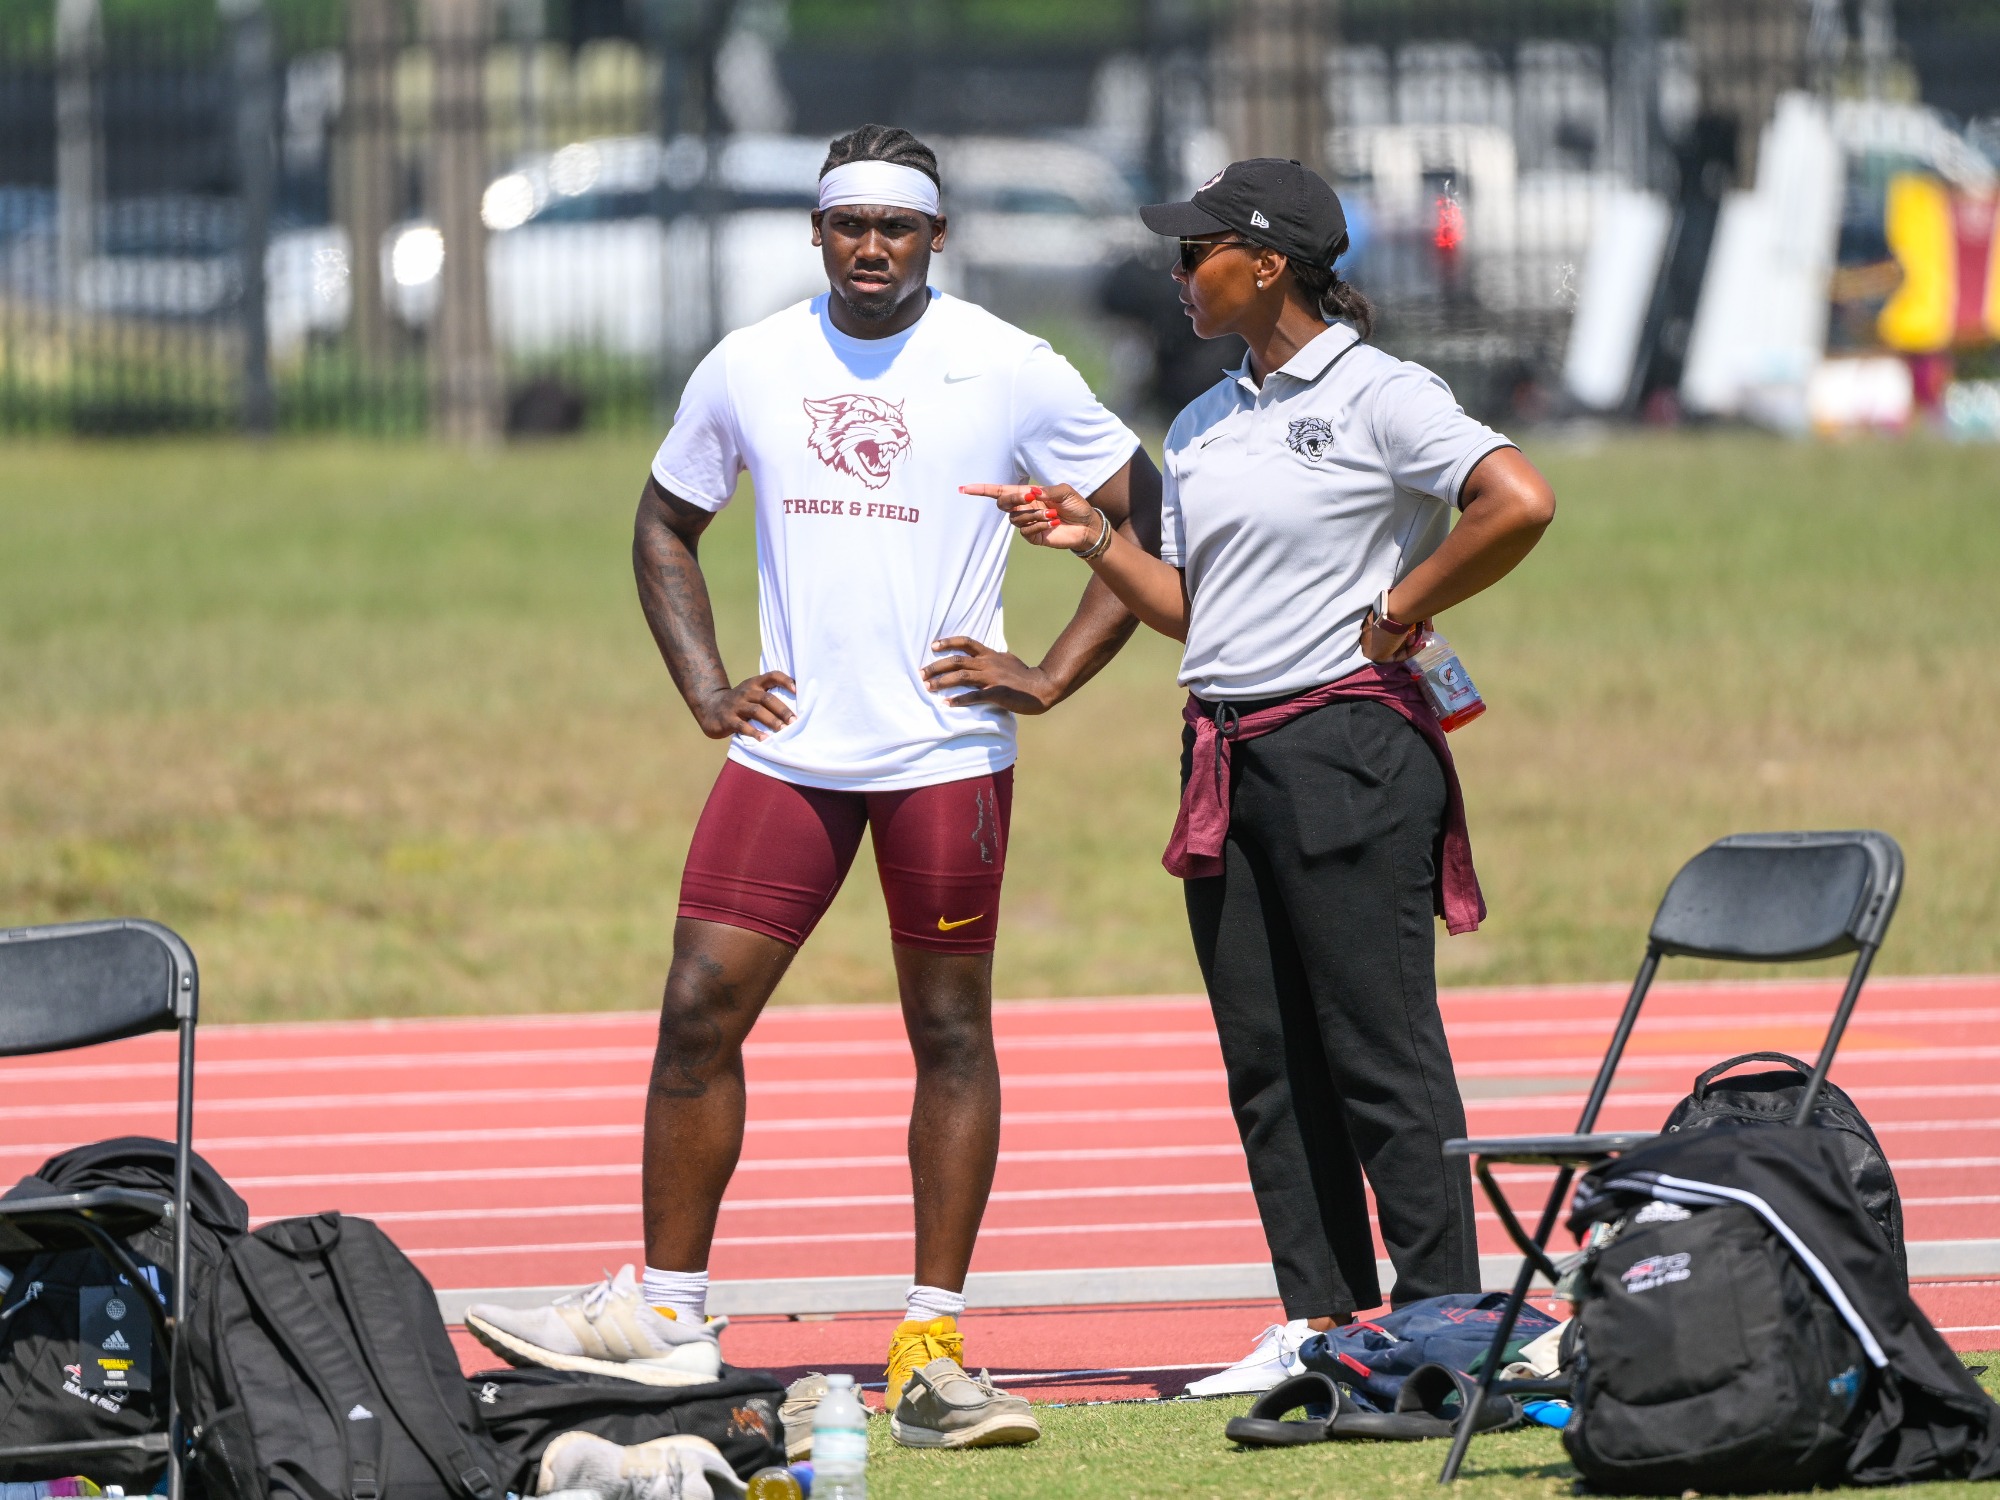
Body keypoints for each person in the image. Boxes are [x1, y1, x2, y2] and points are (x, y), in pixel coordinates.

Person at [464, 123, 1161, 1449]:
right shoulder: (752, 364)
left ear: (938, 239)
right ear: (819, 232)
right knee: (694, 1008)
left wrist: (1056, 671)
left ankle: (934, 1345)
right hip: (787, 752)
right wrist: (705, 684)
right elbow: (667, 521)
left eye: (898, 227)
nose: (873, 247)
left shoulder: (1010, 367)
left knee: (949, 1031)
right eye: (850, 226)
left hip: (944, 755)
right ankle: (669, 1316)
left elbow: (1144, 519)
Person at [969, 157, 1557, 1397]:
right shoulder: (1200, 419)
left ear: (1268, 263)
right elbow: (1195, 611)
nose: (1175, 274)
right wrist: (1090, 542)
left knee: (1377, 1046)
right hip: (1226, 755)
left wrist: (1401, 602)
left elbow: (1517, 499)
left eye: (1196, 255)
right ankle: (1316, 1320)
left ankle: (1440, 1313)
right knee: (1267, 1055)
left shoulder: (1380, 394)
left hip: (1347, 749)